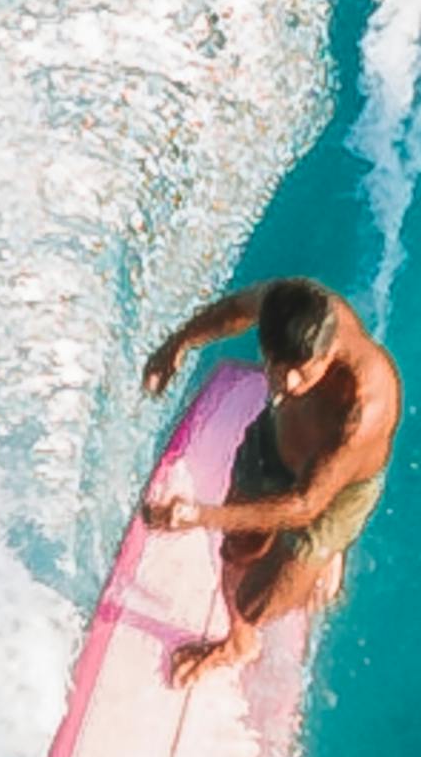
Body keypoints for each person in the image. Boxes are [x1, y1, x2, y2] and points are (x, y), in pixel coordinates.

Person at [133, 272, 402, 686]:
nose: (288, 383)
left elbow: (305, 506)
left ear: (328, 352)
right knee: (236, 551)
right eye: (279, 367)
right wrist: (178, 344)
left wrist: (200, 516)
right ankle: (239, 644)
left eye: (303, 372)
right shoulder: (285, 305)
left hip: (332, 492)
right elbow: (234, 310)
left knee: (257, 601)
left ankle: (330, 548)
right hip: (280, 440)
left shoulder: (364, 405)